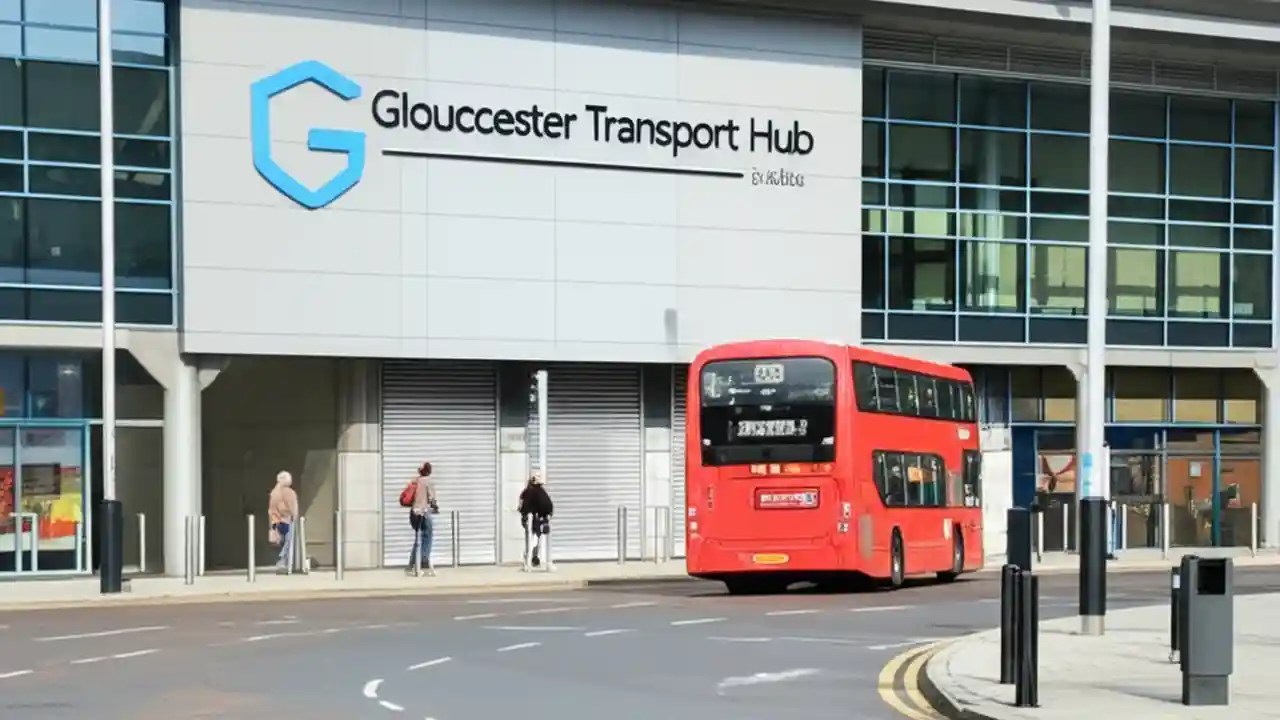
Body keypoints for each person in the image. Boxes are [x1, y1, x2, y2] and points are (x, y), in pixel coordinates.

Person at [407, 462, 438, 577]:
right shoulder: (428, 481)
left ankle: (412, 564)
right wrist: (435, 507)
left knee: (418, 538)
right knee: (427, 536)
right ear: (428, 471)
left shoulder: (416, 480)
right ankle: (423, 562)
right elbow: (432, 499)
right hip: (423, 513)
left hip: (413, 514)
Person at [518, 473, 554, 568]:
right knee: (535, 538)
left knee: (531, 538)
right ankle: (532, 557)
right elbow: (548, 505)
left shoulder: (526, 492)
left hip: (531, 518)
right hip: (537, 519)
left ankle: (529, 557)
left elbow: (521, 506)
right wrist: (547, 516)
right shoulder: (540, 492)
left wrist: (524, 515)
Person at [268, 471, 299, 573]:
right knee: (289, 541)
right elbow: (292, 508)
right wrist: (294, 516)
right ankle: (283, 561)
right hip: (286, 520)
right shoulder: (289, 492)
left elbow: (271, 509)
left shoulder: (274, 493)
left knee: (284, 541)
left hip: (275, 520)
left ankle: (284, 561)